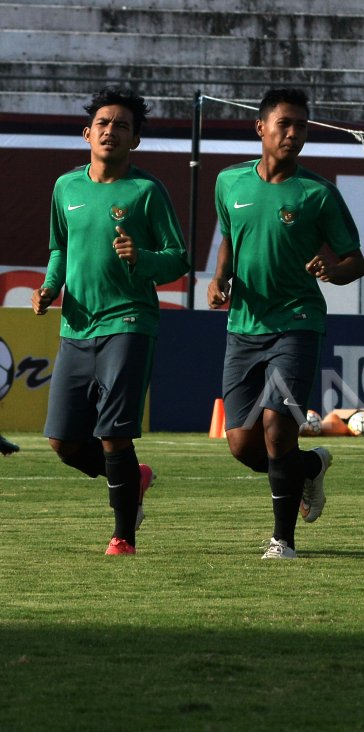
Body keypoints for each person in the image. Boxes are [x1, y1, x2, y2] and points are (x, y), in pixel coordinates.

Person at [208, 88, 364, 559]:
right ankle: (311, 468)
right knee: (241, 445)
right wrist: (219, 279)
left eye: (302, 125)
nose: (294, 133)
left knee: (278, 429)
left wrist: (332, 272)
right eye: (285, 124)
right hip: (243, 326)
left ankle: (283, 542)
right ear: (261, 127)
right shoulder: (229, 183)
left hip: (297, 323)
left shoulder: (318, 194)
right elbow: (229, 240)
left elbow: (355, 260)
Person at [33, 86, 187, 556]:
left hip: (129, 322)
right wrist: (49, 286)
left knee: (114, 432)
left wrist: (141, 259)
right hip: (76, 327)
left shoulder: (146, 191)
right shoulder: (66, 187)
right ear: (87, 134)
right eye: (103, 123)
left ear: (134, 140)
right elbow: (60, 248)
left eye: (122, 125)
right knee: (61, 442)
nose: (110, 131)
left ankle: (124, 537)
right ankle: (134, 479)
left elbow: (177, 257)